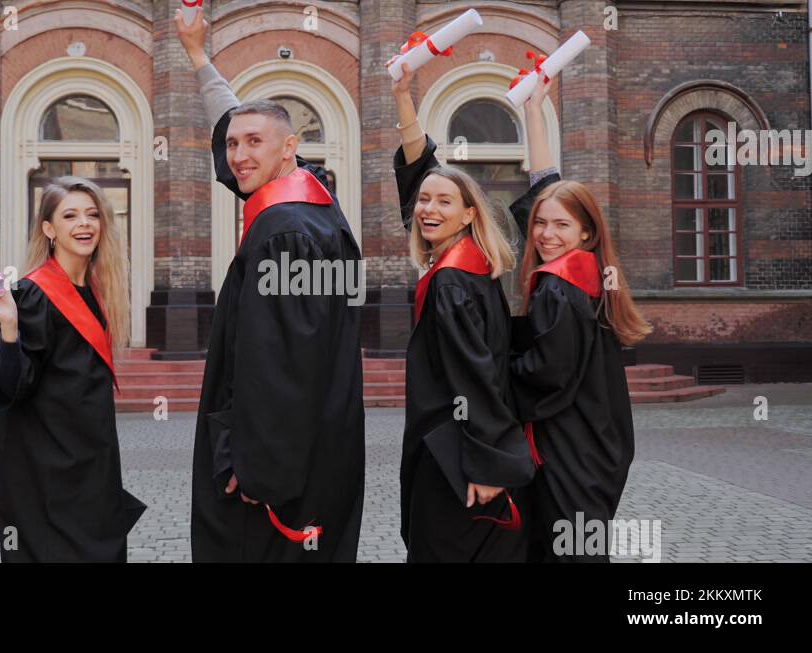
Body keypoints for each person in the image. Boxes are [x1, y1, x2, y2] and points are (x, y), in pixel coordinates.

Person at [176, 9, 365, 562]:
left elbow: (280, 364)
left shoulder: (284, 234)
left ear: (289, 149)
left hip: (278, 473)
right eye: (232, 144)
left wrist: (257, 469)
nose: (238, 156)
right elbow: (239, 123)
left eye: (254, 143)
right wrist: (196, 54)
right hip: (324, 443)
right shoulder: (317, 208)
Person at [391, 62, 535, 562]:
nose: (428, 208)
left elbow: (476, 377)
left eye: (443, 202)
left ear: (470, 213)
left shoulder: (453, 282)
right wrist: (403, 94)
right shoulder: (474, 268)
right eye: (424, 201)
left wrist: (488, 463)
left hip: (456, 454)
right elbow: (417, 170)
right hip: (453, 446)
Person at [509, 72, 653, 562]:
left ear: (586, 233)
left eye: (561, 226)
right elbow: (548, 190)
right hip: (600, 447)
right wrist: (533, 112)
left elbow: (546, 371)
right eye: (540, 225)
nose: (546, 234)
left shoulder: (557, 287)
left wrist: (494, 371)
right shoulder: (590, 273)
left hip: (568, 452)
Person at [0, 176, 146, 562]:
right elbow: (6, 391)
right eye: (70, 215)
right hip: (46, 467)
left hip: (90, 460)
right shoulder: (30, 294)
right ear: (50, 229)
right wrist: (8, 327)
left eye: (92, 215)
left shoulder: (97, 291)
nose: (84, 224)